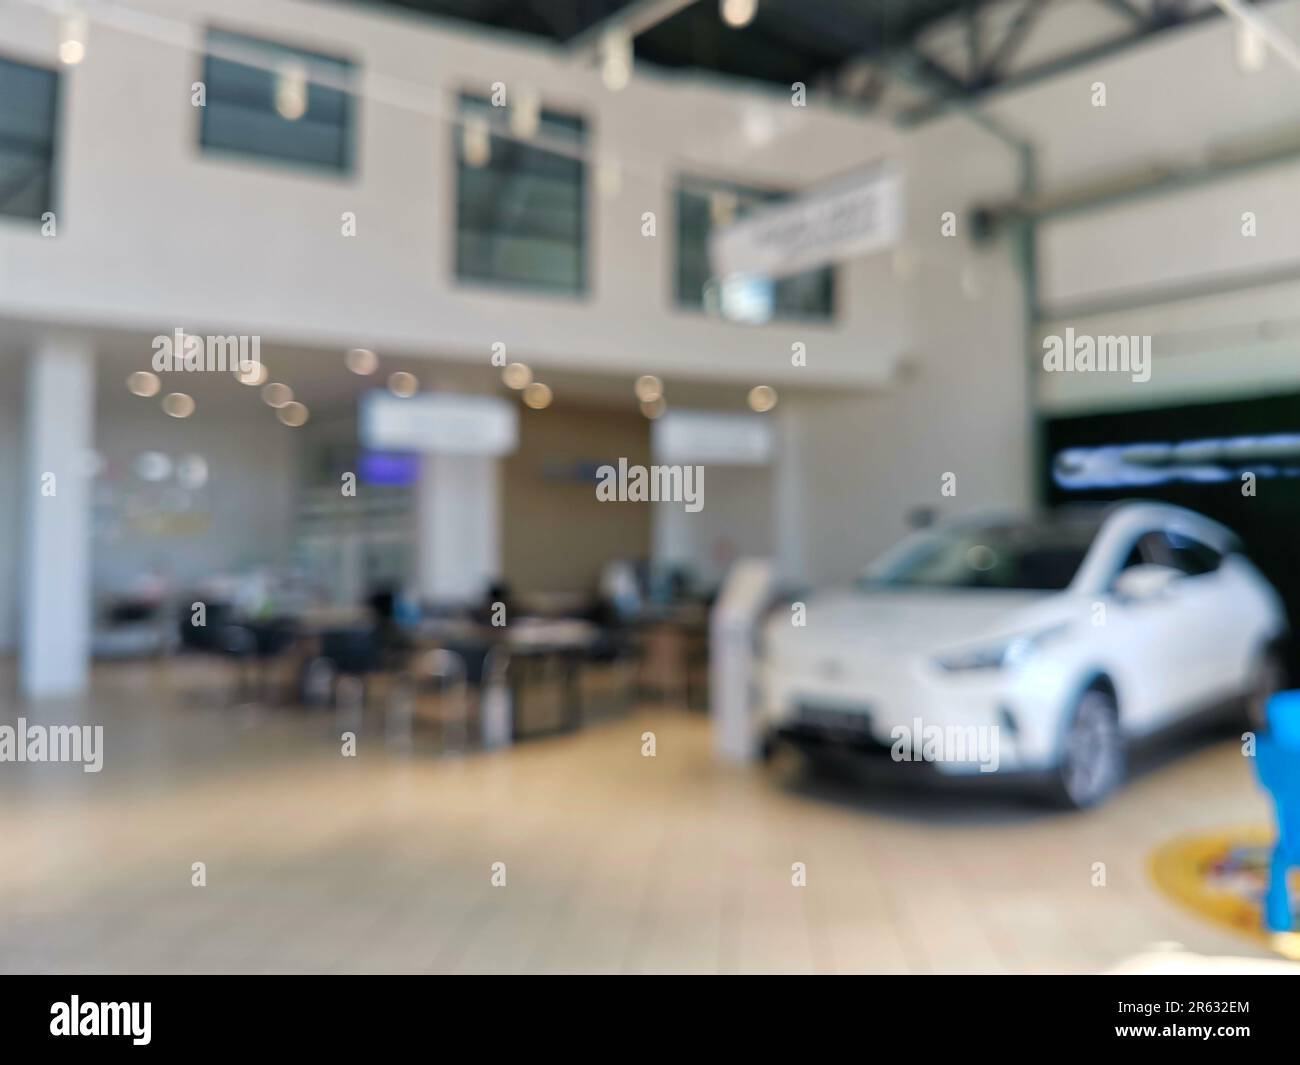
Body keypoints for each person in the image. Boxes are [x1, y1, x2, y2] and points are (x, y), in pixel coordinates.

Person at [1255, 691, 1300, 954]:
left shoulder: (1271, 755)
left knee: (1281, 857)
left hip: (1292, 840)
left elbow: (1265, 780)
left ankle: (1278, 920)